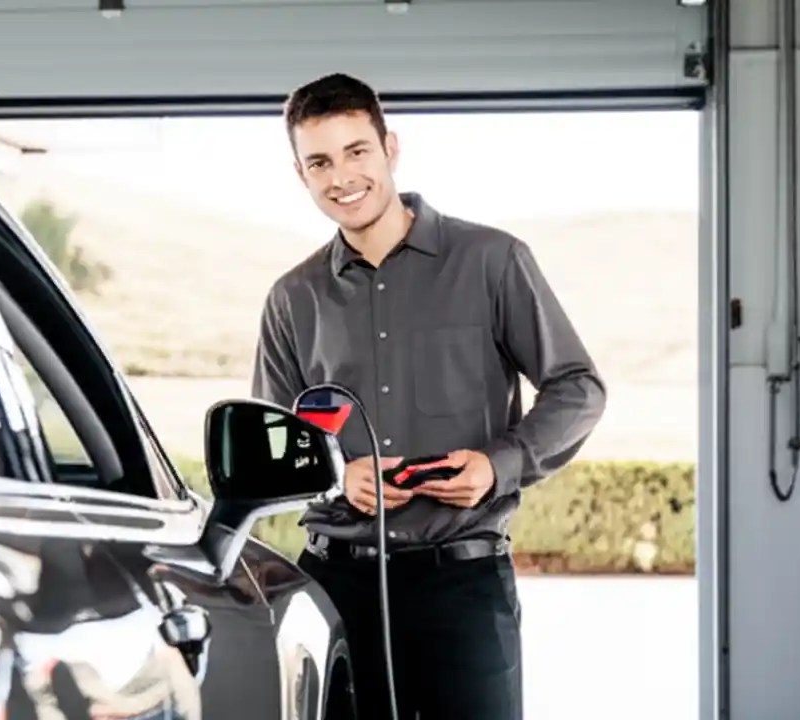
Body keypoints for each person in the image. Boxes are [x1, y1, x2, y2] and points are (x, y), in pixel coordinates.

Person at [251, 73, 607, 719]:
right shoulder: (291, 298)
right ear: (300, 173)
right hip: (337, 585)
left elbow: (577, 387)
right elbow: (276, 448)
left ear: (390, 147)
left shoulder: (493, 261)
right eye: (319, 162)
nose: (341, 177)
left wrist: (499, 465)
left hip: (463, 583)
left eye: (356, 151)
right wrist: (338, 478)